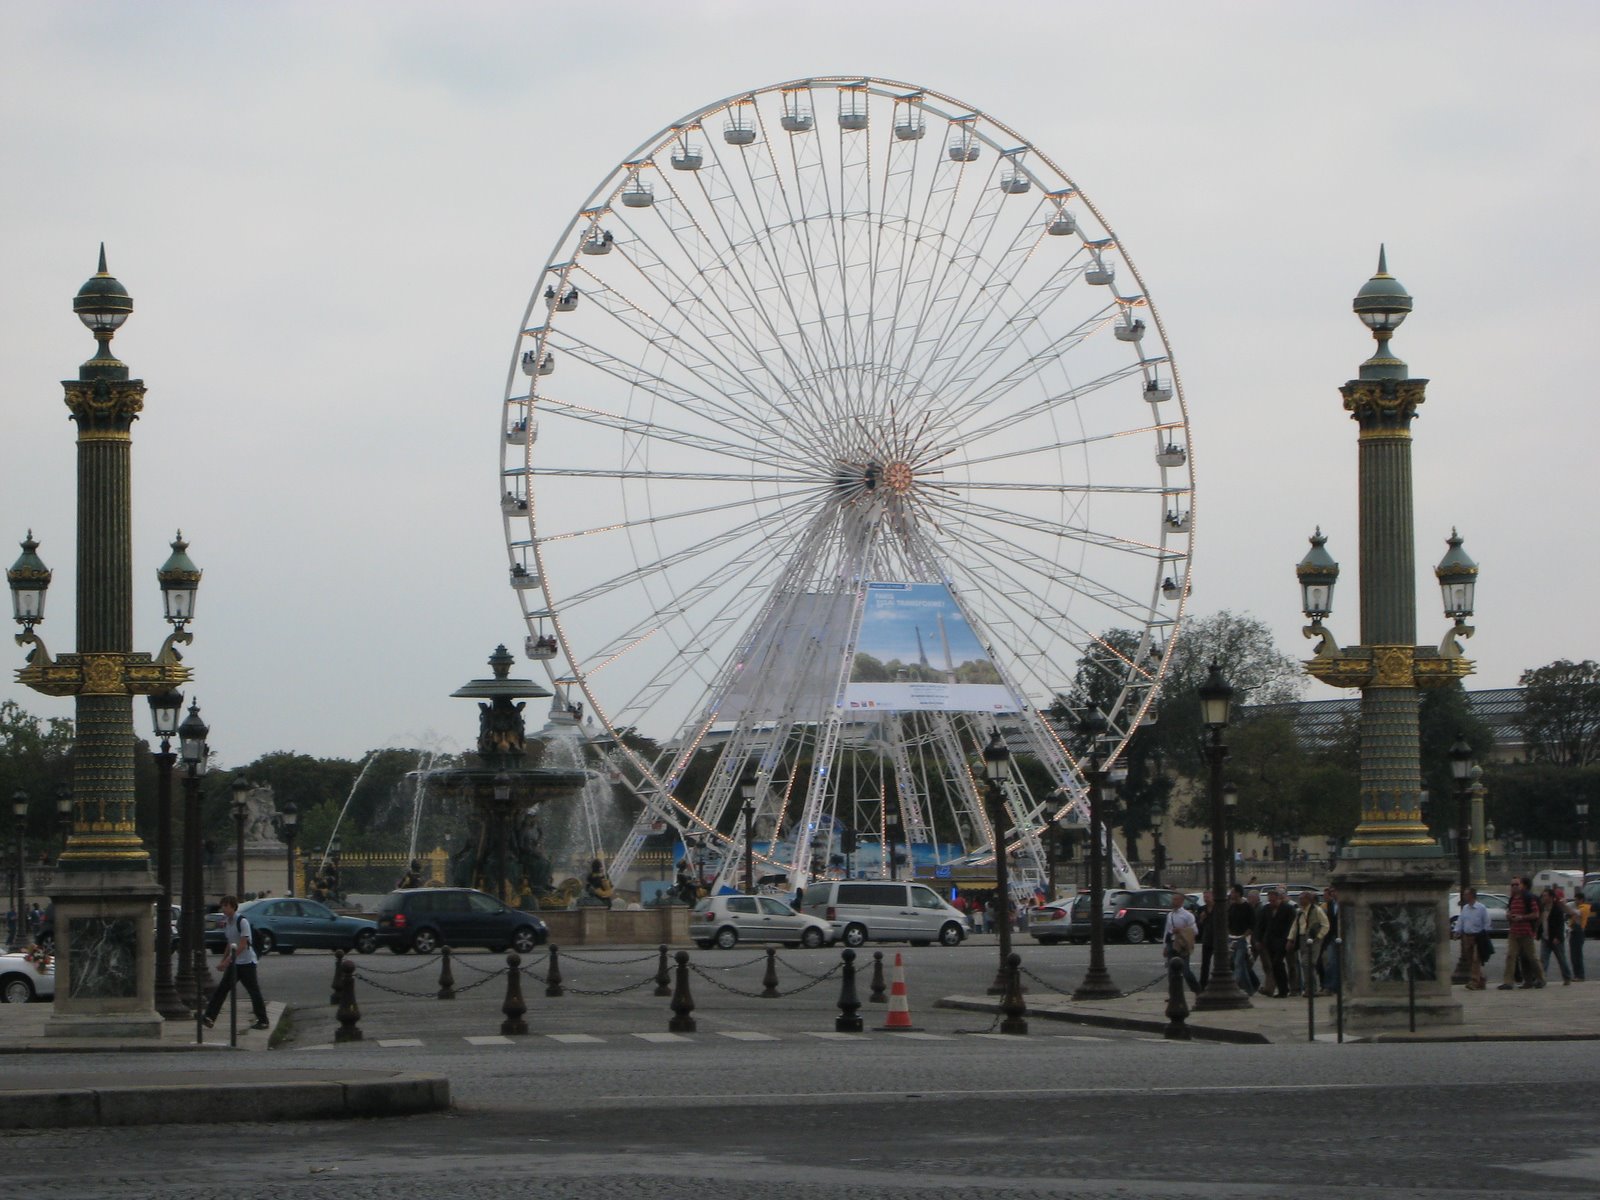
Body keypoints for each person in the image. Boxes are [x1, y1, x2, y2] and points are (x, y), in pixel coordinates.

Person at [202, 895, 269, 1031]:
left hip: (247, 962)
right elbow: (230, 943)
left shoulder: (242, 922)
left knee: (253, 991)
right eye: (222, 906)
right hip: (235, 963)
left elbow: (243, 945)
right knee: (222, 989)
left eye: (226, 906)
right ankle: (209, 1017)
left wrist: (227, 961)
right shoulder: (227, 922)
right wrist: (223, 959)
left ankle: (263, 1020)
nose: (224, 909)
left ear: (233, 906)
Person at [1499, 876, 1545, 990]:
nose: (1514, 887)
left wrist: (1522, 917)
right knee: (1510, 956)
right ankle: (1508, 982)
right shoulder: (1512, 899)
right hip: (1514, 931)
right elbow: (1510, 911)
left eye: (1516, 884)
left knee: (1531, 957)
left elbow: (1536, 914)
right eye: (1512, 885)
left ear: (1521, 885)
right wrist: (1509, 915)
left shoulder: (1528, 898)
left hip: (1526, 932)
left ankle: (1541, 979)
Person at [1286, 889, 1330, 997]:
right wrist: (1290, 939)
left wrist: (1319, 937)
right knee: (1306, 964)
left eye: (1302, 898)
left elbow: (1326, 925)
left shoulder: (1317, 910)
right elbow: (1295, 926)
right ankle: (1310, 988)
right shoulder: (1300, 911)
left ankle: (1311, 988)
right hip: (1302, 938)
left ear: (1308, 899)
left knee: (1308, 963)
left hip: (1313, 939)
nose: (1300, 900)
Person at [1258, 888, 1296, 998]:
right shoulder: (1266, 909)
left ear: (1279, 899)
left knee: (1278, 963)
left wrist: (1290, 939)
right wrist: (1259, 939)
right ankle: (1282, 989)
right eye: (1270, 901)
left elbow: (1291, 925)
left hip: (1283, 940)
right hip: (1270, 941)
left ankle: (1284, 989)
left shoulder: (1288, 909)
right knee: (1274, 966)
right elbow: (1261, 925)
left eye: (1273, 901)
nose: (1271, 903)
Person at [1162, 892, 1199, 993]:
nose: (1173, 902)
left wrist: (1181, 930)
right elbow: (1167, 931)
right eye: (1173, 900)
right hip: (1171, 944)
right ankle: (1174, 994)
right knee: (1171, 971)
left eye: (1176, 900)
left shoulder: (1188, 915)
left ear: (1182, 901)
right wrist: (1165, 946)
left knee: (1185, 970)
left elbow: (1195, 931)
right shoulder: (1170, 915)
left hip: (1182, 945)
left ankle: (1197, 990)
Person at [1454, 886, 1490, 989]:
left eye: (1466, 894)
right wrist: (1457, 932)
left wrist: (1484, 934)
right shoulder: (1465, 908)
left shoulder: (1481, 908)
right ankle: (1481, 979)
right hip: (1467, 936)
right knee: (1470, 960)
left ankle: (1474, 981)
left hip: (1478, 937)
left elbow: (1487, 922)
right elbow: (1461, 921)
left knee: (1476, 959)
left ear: (1471, 895)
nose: (1464, 896)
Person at [1225, 885, 1259, 993]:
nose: (1231, 894)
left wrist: (1245, 935)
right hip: (1232, 938)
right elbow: (1228, 921)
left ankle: (1234, 987)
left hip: (1242, 938)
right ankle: (1250, 988)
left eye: (1233, 892)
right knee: (1240, 964)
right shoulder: (1232, 906)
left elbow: (1252, 924)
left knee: (1238, 963)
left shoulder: (1247, 907)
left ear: (1239, 893)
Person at [1538, 888, 1574, 985]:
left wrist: (1557, 937)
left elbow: (1560, 924)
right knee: (1543, 959)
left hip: (1555, 938)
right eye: (1543, 895)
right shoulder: (1542, 908)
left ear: (1551, 897)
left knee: (1561, 959)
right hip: (1545, 937)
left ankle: (1567, 977)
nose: (1544, 897)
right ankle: (1542, 979)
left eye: (1545, 895)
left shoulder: (1557, 909)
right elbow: (1540, 922)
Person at [1320, 886, 1343, 994]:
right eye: (1332, 892)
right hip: (1332, 937)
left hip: (1343, 936)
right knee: (1331, 962)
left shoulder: (1345, 903)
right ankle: (1330, 986)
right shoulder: (1329, 905)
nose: (1334, 894)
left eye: (1335, 891)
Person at [1570, 889, 1590, 982]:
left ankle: (1580, 975)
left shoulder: (1585, 907)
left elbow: (1577, 913)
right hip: (1574, 931)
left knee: (1577, 954)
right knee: (1573, 955)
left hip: (1579, 932)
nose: (1575, 902)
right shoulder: (1578, 907)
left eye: (1577, 900)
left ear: (1581, 900)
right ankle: (1576, 975)